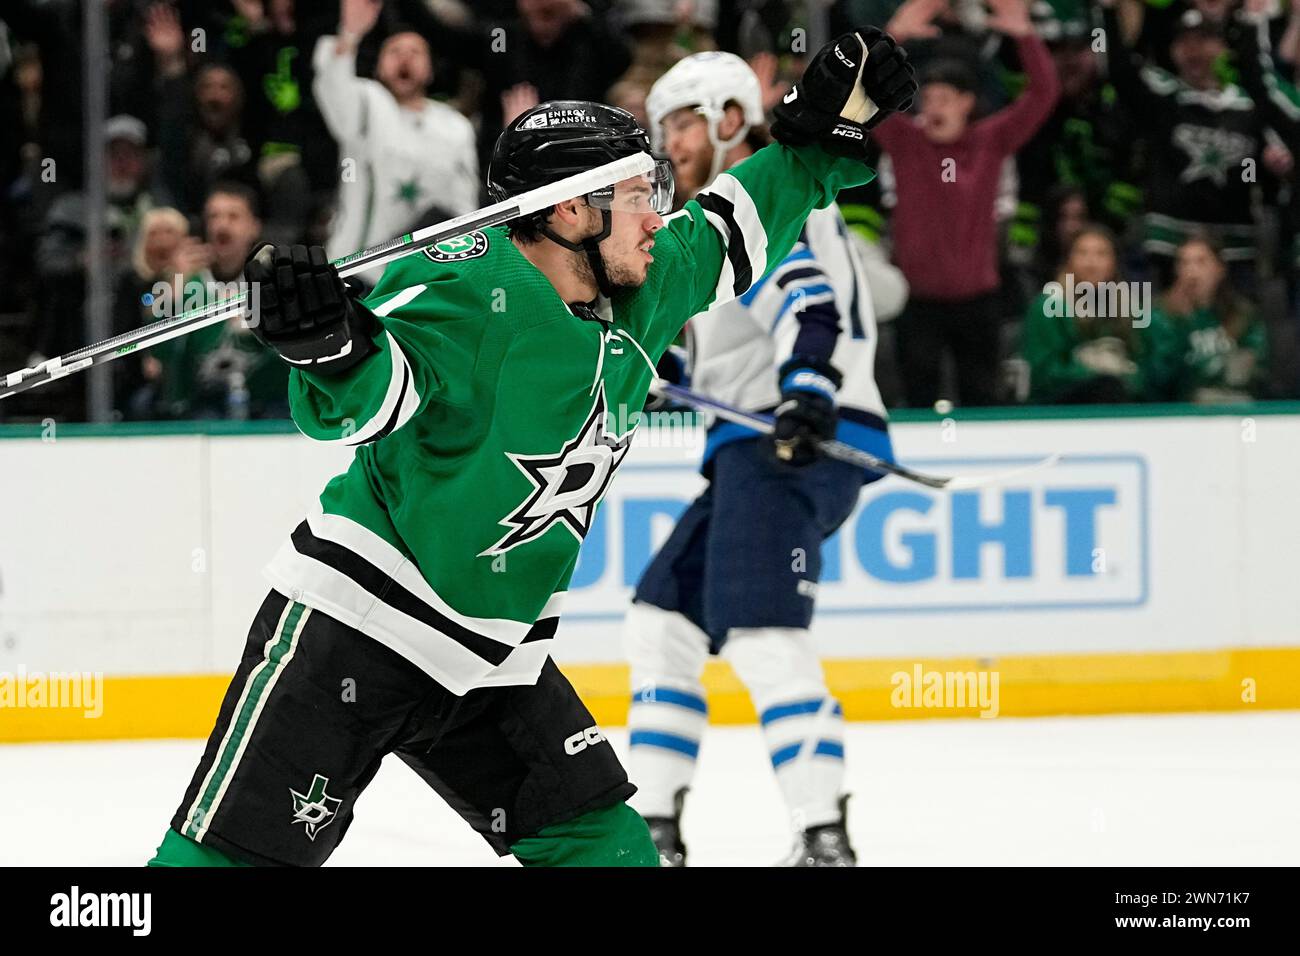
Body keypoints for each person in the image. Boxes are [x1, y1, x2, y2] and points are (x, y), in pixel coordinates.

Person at [145, 29, 917, 868]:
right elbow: (371, 400)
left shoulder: (645, 280)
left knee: (608, 852)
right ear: (569, 209)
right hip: (359, 627)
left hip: (495, 658)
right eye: (636, 192)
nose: (659, 212)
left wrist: (815, 124)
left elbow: (744, 219)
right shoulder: (468, 287)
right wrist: (325, 339)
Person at [625, 50, 894, 867]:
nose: (666, 145)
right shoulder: (726, 217)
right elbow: (719, 346)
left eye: (677, 124)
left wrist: (805, 393)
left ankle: (824, 835)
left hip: (794, 439)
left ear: (727, 120)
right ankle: (657, 831)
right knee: (663, 617)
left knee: (761, 627)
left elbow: (809, 306)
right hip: (760, 441)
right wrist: (654, 374)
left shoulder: (761, 204)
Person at [875, 0, 1059, 407]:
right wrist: (894, 36)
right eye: (929, 97)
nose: (933, 106)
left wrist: (1025, 35)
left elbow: (1044, 93)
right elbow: (862, 92)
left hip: (978, 304)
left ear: (966, 103)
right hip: (917, 303)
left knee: (983, 401)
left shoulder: (990, 142)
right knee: (918, 401)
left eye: (945, 98)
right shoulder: (905, 141)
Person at [313, 0, 480, 276]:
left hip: (425, 273)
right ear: (378, 67)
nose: (405, 58)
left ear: (430, 70)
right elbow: (332, 86)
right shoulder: (367, 102)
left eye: (415, 52)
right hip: (358, 270)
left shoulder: (456, 126)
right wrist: (350, 34)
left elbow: (464, 206)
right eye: (394, 51)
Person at [1022, 225, 1176, 404]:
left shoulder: (1132, 307)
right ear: (1069, 261)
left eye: (1101, 254)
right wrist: (1095, 373)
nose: (1091, 262)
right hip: (1062, 407)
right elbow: (1045, 373)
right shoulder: (1049, 306)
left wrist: (1128, 376)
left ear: (1114, 263)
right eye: (1082, 253)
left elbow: (1148, 364)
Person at [1159, 234, 1269, 403]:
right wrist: (1179, 325)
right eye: (1184, 263)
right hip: (1179, 409)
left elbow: (1260, 366)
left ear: (1220, 269)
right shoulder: (1160, 315)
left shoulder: (1242, 314)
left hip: (1234, 404)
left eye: (1201, 262)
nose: (1191, 272)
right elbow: (1158, 379)